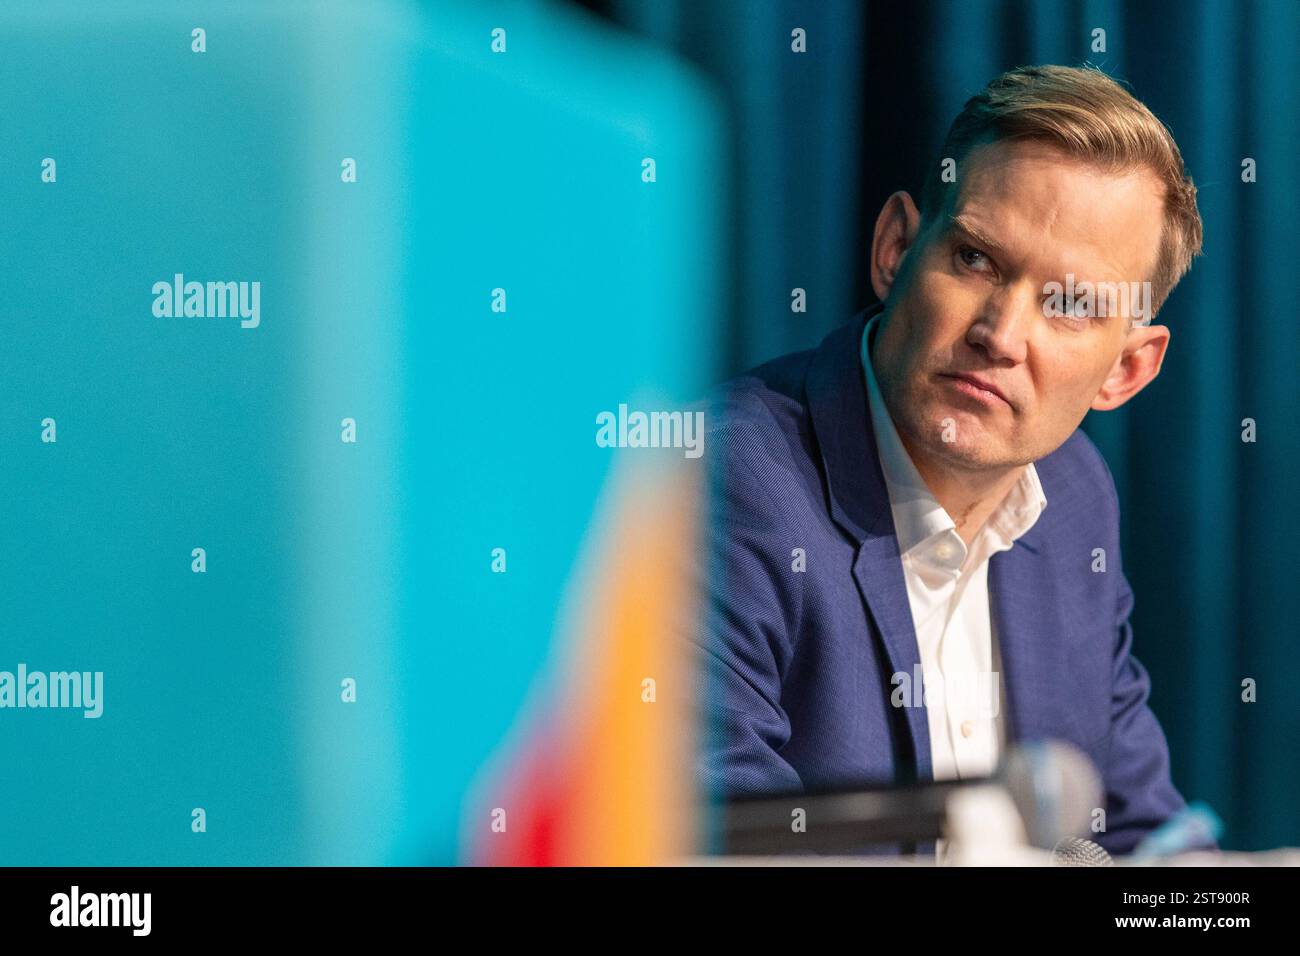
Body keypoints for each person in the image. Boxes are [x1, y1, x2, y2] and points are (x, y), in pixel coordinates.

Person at [695, 64, 1211, 858]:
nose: (1001, 334)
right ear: (896, 248)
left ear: (1125, 371)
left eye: (1070, 304)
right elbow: (714, 840)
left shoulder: (1076, 500)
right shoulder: (728, 487)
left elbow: (1147, 832)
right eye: (975, 260)